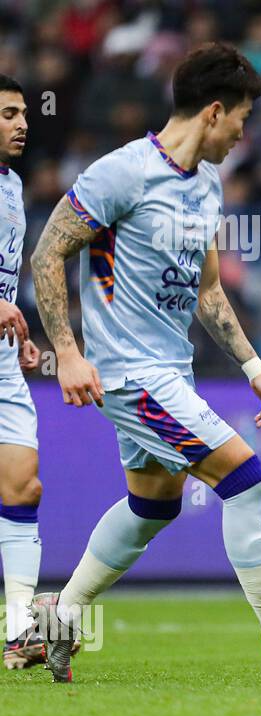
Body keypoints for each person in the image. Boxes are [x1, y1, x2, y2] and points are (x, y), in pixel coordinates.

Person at [27, 43, 261, 683]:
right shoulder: (120, 174)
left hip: (170, 370)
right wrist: (67, 352)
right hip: (129, 374)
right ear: (214, 111)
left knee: (153, 506)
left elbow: (206, 290)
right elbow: (47, 253)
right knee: (248, 479)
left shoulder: (206, 184)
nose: (242, 133)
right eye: (243, 119)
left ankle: (63, 612)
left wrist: (254, 367)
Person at [0, 74, 49, 669]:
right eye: (9, 112)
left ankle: (18, 632)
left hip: (4, 362)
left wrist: (19, 329)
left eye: (23, 113)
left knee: (24, 486)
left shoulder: (12, 187)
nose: (22, 123)